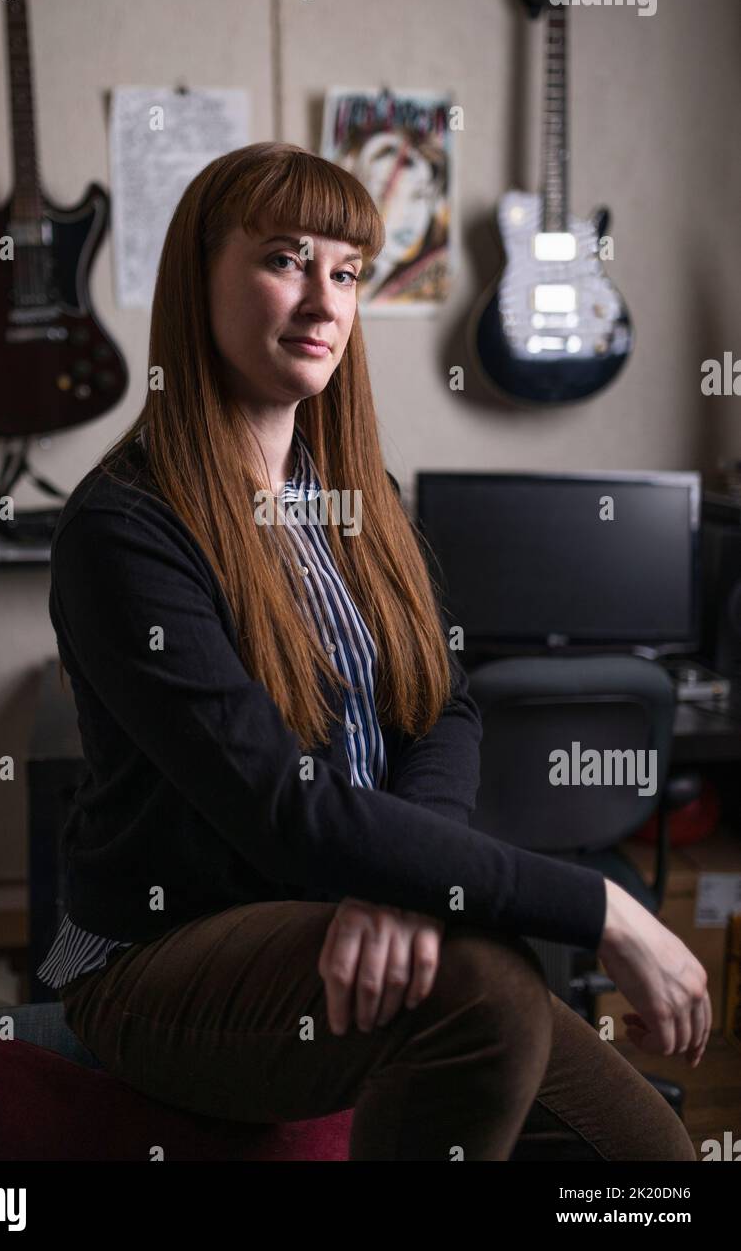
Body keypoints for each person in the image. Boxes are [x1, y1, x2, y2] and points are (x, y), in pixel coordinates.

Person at [43, 141, 704, 1161]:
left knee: (651, 1156)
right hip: (157, 957)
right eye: (284, 260)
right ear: (197, 279)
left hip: (331, 910)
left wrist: (402, 878)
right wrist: (600, 906)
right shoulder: (123, 528)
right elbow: (281, 808)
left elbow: (442, 706)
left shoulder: (353, 494)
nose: (322, 302)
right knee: (483, 987)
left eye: (345, 272)